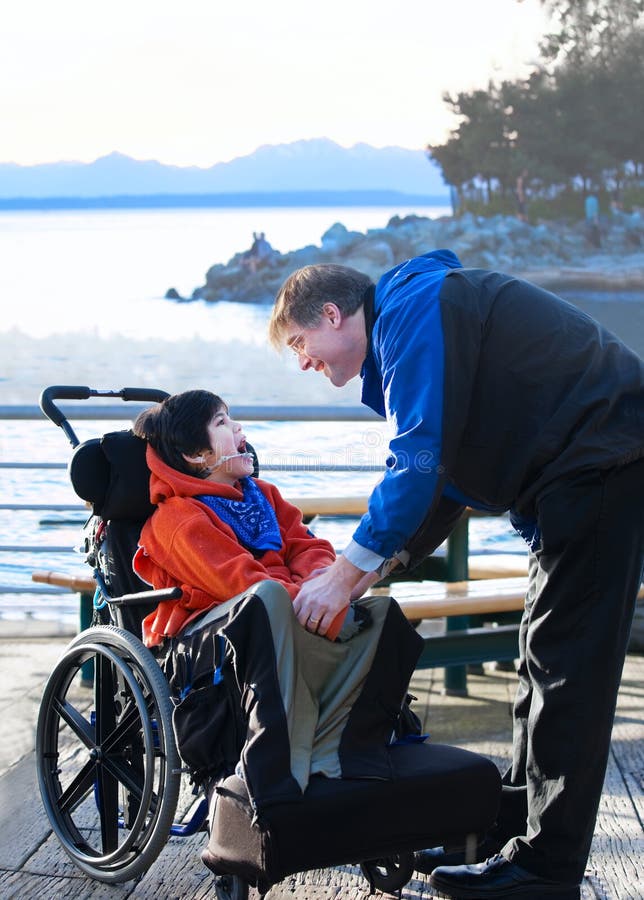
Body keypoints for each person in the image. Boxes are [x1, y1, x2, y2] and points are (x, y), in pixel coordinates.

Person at [268, 256, 644, 899]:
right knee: (540, 659)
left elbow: (415, 459)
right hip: (584, 471)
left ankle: (545, 871)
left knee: (567, 672)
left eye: (301, 343)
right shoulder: (415, 317)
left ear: (333, 314)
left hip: (601, 461)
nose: (303, 361)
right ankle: (509, 829)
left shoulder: (412, 310)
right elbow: (441, 481)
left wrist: (345, 574)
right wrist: (367, 572)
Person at [132, 389, 422, 806]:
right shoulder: (177, 518)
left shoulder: (262, 494)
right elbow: (237, 582)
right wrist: (313, 604)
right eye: (223, 424)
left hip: (277, 613)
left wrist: (324, 587)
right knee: (264, 596)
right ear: (197, 455)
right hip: (213, 640)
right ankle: (280, 772)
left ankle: (349, 756)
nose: (240, 429)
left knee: (379, 612)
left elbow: (308, 546)